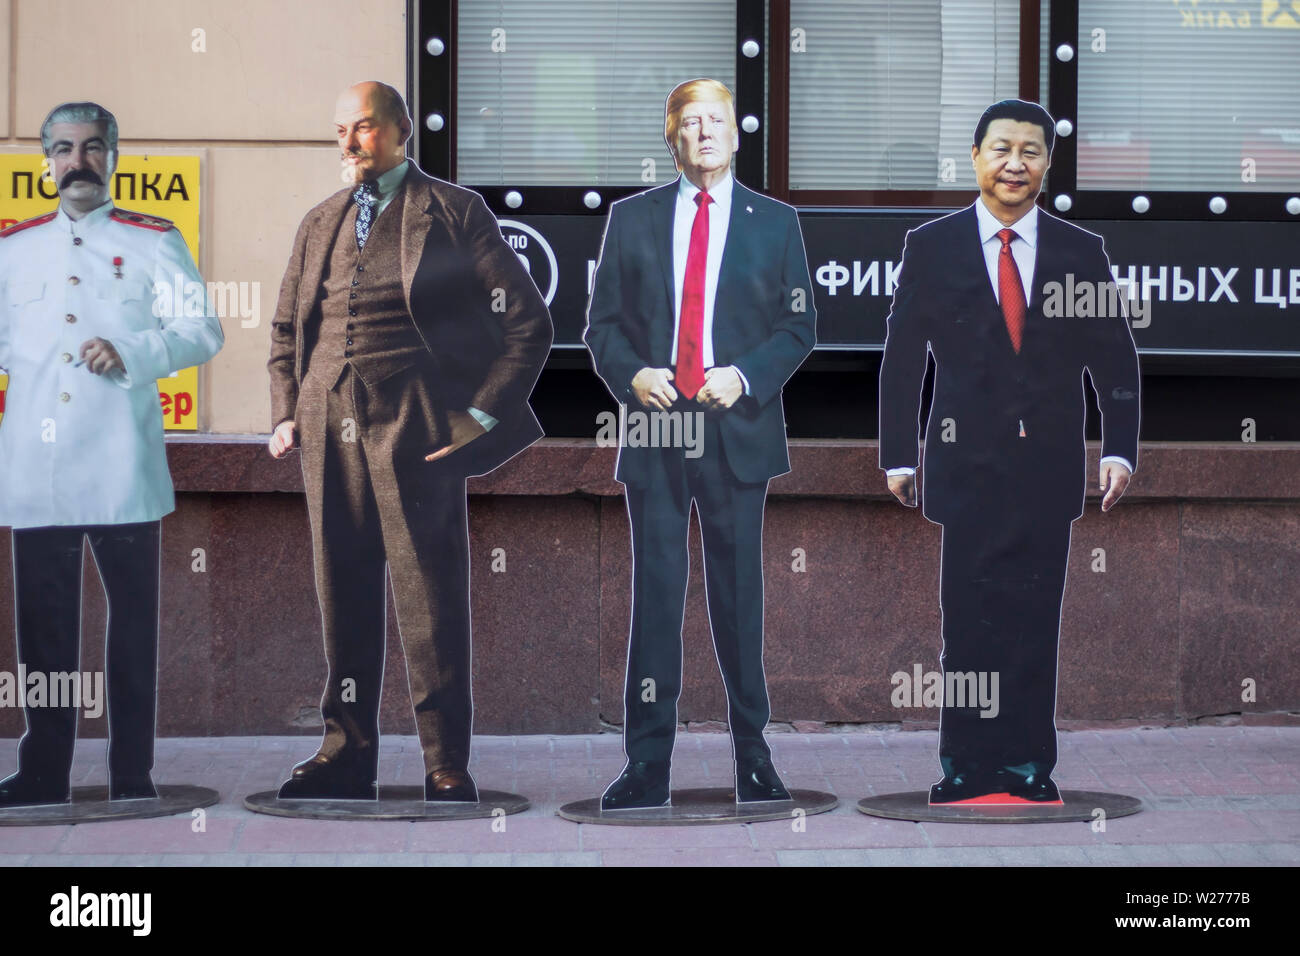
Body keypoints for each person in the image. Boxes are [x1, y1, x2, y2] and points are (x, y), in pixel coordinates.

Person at [267, 81, 551, 802]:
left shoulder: (454, 212)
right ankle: (346, 752)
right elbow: (285, 330)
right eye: (340, 131)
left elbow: (527, 322)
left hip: (416, 425)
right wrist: (284, 412)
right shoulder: (320, 221)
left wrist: (482, 415)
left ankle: (443, 761)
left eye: (362, 129)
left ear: (398, 132)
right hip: (327, 423)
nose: (349, 143)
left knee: (429, 598)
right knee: (342, 590)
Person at [878, 99, 1140, 804]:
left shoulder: (1079, 253)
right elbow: (904, 359)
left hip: (1048, 470)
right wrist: (899, 455)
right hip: (965, 469)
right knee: (967, 627)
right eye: (1001, 149)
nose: (1015, 163)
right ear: (975, 156)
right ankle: (965, 768)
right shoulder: (931, 246)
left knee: (1031, 626)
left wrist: (1119, 449)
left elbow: (1116, 364)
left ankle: (1027, 768)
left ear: (1048, 164)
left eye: (1031, 151)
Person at [585, 78, 816, 809]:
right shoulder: (632, 219)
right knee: (656, 601)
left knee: (738, 599)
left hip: (735, 430)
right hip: (658, 427)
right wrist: (635, 375)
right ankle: (646, 765)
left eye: (716, 121)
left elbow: (799, 326)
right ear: (671, 136)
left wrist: (745, 377)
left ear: (736, 135)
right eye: (690, 123)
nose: (704, 133)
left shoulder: (776, 223)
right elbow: (602, 328)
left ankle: (754, 757)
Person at [0, 102, 224, 806]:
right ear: (45, 161)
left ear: (115, 156)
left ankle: (133, 774)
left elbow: (203, 330)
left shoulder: (154, 240)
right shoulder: (13, 249)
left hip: (123, 464)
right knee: (44, 634)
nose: (78, 161)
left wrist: (133, 350)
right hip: (39, 470)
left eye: (93, 147)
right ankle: (43, 774)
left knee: (131, 630)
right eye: (63, 149)